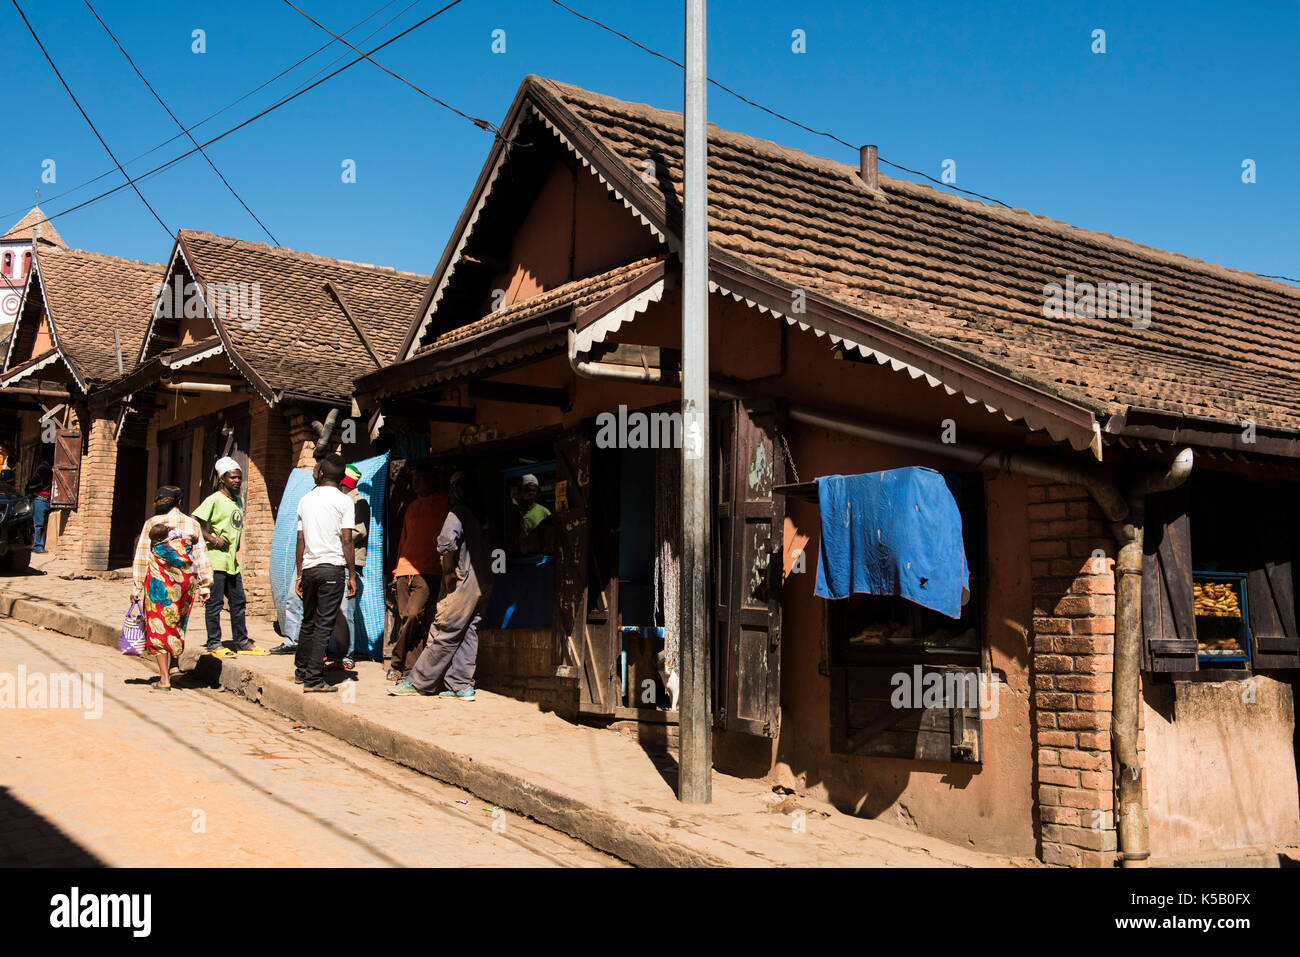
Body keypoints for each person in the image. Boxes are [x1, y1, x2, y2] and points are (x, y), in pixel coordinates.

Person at [390, 470, 491, 699]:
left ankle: (418, 682)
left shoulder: (457, 513)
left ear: (457, 490)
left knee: (444, 631)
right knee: (467, 631)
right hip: (481, 581)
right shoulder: (477, 515)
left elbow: (446, 543)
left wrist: (447, 572)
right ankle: (461, 685)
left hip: (463, 580)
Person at [131, 486, 213, 691]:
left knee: (159, 625)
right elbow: (201, 555)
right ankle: (175, 666)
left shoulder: (152, 523)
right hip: (185, 583)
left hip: (160, 582)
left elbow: (142, 556)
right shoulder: (192, 524)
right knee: (177, 620)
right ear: (180, 503)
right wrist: (206, 585)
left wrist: (137, 587)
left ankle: (165, 679)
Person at [293, 454, 357, 693]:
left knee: (308, 621)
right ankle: (313, 680)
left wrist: (300, 574)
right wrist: (351, 575)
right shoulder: (345, 501)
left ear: (321, 473)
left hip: (309, 568)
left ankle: (301, 672)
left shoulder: (305, 500)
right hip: (332, 568)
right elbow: (347, 539)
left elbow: (300, 539)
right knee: (323, 625)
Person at [193, 456, 264, 657]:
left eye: (239, 478)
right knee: (215, 604)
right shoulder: (214, 499)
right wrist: (212, 539)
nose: (236, 481)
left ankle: (242, 641)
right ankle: (214, 643)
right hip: (215, 561)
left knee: (238, 602)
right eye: (232, 477)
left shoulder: (238, 501)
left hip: (232, 562)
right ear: (222, 479)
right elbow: (194, 521)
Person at [387, 461, 449, 681]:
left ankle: (396, 660)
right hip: (404, 570)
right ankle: (409, 669)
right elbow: (404, 540)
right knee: (407, 619)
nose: (416, 484)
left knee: (413, 616)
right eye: (414, 481)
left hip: (428, 570)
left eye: (421, 479)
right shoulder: (412, 507)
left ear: (432, 479)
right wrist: (396, 572)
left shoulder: (445, 502)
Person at [327, 463, 370, 671]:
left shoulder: (359, 503)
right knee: (333, 612)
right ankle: (333, 652)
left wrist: (335, 535)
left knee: (346, 611)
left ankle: (347, 655)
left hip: (349, 564)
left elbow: (359, 532)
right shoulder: (343, 501)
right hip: (336, 561)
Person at [508, 473, 551, 556]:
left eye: (533, 490)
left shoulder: (544, 512)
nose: (531, 493)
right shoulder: (513, 510)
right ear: (521, 491)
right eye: (527, 489)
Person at [25, 463, 52, 553]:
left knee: (40, 525)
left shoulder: (44, 471)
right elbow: (29, 488)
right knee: (38, 524)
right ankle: (37, 546)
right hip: (40, 500)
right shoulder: (42, 472)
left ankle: (38, 544)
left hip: (45, 501)